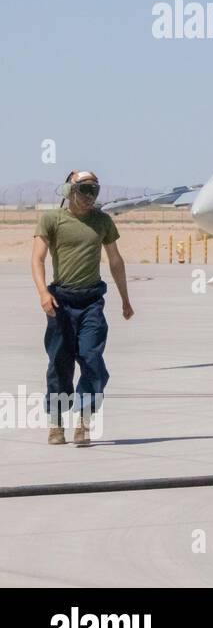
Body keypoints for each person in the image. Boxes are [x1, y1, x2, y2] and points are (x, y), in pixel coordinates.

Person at [31, 170, 134, 446]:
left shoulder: (102, 221)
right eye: (85, 190)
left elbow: (115, 261)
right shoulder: (52, 220)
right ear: (70, 191)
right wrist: (43, 293)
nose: (90, 197)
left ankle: (84, 421)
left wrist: (125, 299)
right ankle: (56, 423)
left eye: (95, 191)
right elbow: (37, 259)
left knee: (92, 360)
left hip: (91, 303)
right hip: (60, 303)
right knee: (59, 364)